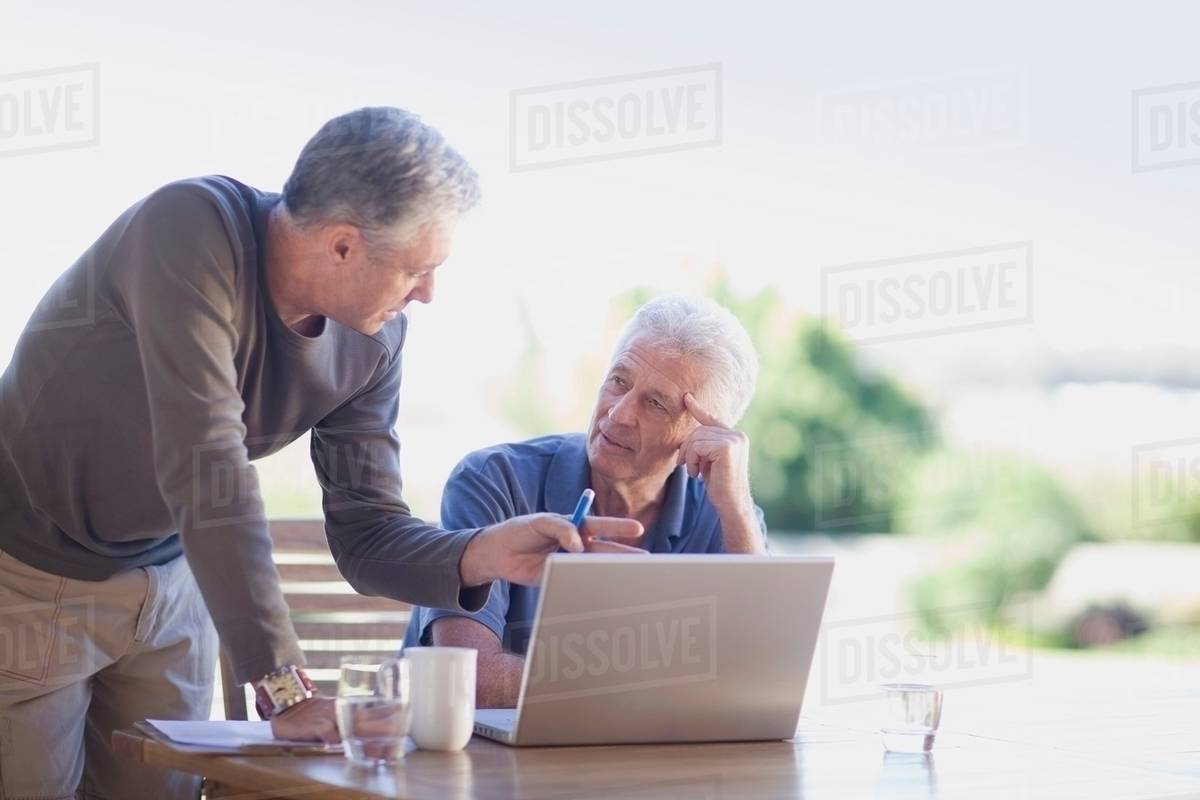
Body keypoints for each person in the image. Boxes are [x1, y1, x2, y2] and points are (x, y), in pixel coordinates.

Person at [0, 107, 640, 799]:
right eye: (415, 271)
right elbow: (206, 461)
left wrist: (480, 552)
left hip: (170, 579)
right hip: (30, 569)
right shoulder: (186, 232)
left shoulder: (374, 336)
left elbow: (366, 530)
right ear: (342, 246)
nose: (427, 293)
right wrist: (282, 683)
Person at [404, 295, 767, 708]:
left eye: (655, 403)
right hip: (482, 763)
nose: (618, 414)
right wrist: (663, 685)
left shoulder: (725, 513)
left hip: (646, 764)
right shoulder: (493, 481)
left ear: (702, 432)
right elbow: (468, 679)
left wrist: (737, 510)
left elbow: (761, 680)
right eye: (619, 381)